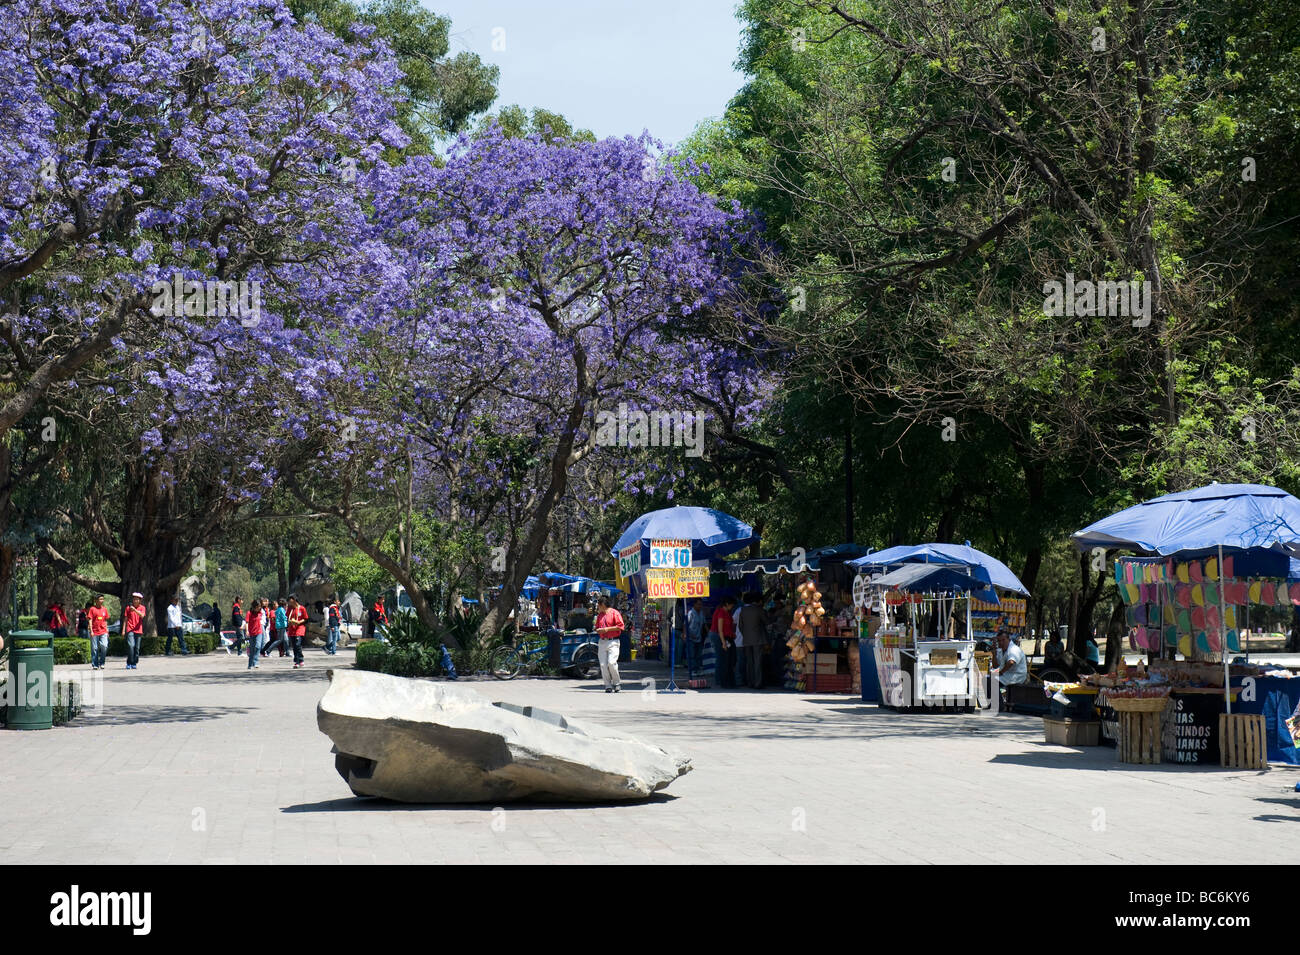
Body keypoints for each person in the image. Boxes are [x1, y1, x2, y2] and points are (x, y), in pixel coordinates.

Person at [738, 591, 769, 689]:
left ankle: (750, 682)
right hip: (758, 639)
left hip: (746, 640)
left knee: (749, 662)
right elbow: (766, 621)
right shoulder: (758, 610)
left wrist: (745, 634)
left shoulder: (743, 610)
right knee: (757, 661)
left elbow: (740, 626)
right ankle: (758, 683)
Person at [594, 595, 625, 693]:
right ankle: (607, 685)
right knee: (603, 665)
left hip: (613, 641)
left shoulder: (615, 613)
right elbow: (597, 627)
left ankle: (617, 683)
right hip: (603, 641)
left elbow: (620, 626)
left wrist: (607, 629)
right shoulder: (600, 615)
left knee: (611, 663)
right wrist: (599, 630)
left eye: (599, 605)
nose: (598, 607)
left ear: (603, 604)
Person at [710, 597, 738, 688]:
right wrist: (723, 643)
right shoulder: (721, 612)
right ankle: (722, 681)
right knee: (723, 660)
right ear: (727, 604)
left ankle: (727, 680)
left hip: (727, 637)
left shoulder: (727, 613)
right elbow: (720, 629)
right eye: (731, 605)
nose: (732, 606)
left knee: (729, 660)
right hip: (721, 637)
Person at [122, 592, 146, 669]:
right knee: (131, 646)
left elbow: (142, 616)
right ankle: (129, 662)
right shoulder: (128, 608)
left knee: (137, 648)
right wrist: (123, 630)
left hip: (138, 630)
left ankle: (134, 662)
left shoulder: (142, 608)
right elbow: (125, 620)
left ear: (140, 600)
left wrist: (135, 610)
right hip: (130, 629)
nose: (135, 601)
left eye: (137, 599)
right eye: (134, 599)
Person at [685, 598, 706, 677]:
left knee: (698, 655)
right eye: (698, 604)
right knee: (691, 655)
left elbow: (704, 624)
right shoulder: (691, 613)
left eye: (701, 604)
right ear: (694, 604)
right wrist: (685, 634)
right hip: (691, 637)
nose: (700, 606)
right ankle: (692, 670)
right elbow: (686, 624)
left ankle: (697, 669)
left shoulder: (701, 613)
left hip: (699, 637)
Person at [87, 595, 110, 670]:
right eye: (100, 599)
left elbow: (105, 620)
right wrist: (91, 631)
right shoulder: (92, 609)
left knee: (104, 646)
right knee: (95, 648)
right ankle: (95, 664)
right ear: (96, 600)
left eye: (102, 599)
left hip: (103, 631)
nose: (101, 600)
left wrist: (107, 630)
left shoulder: (104, 609)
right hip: (95, 632)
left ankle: (102, 662)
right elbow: (90, 620)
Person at [286, 595, 308, 668]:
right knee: (294, 646)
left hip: (300, 628)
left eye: (290, 601)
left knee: (297, 644)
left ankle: (298, 660)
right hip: (292, 629)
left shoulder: (302, 608)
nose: (289, 603)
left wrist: (298, 622)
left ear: (294, 600)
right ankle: (298, 660)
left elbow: (305, 619)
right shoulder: (290, 609)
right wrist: (289, 622)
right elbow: (287, 617)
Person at [246, 597, 265, 669]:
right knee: (252, 648)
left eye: (260, 607)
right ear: (254, 607)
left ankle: (256, 662)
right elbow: (247, 623)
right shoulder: (249, 613)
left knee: (258, 646)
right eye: (257, 607)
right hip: (251, 633)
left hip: (259, 632)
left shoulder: (260, 612)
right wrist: (247, 630)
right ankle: (250, 664)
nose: (259, 608)